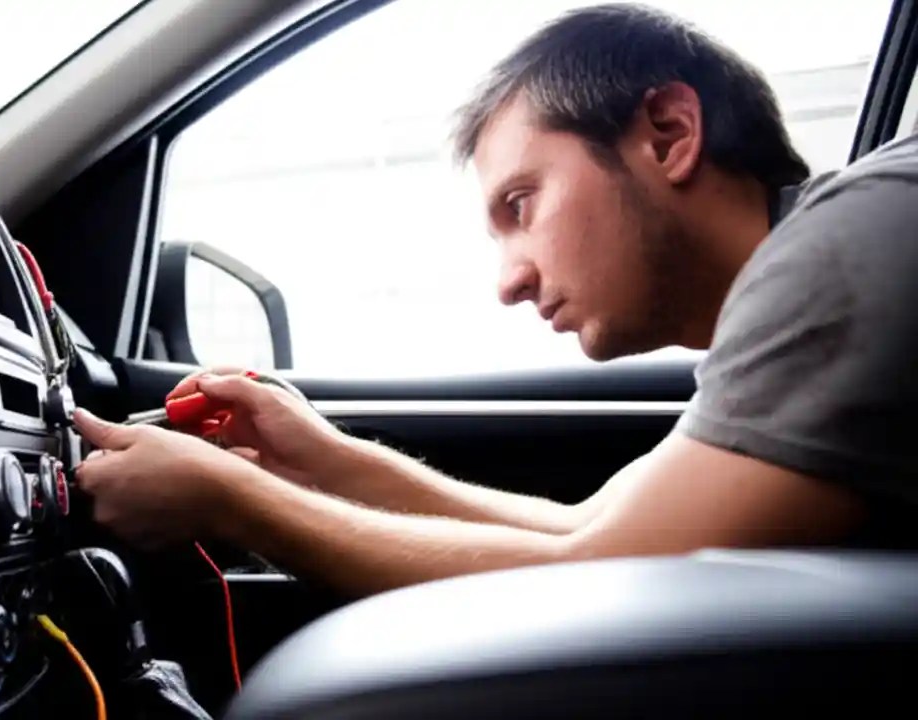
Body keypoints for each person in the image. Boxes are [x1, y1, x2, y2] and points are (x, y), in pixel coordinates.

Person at [70, 3, 918, 598]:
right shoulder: (807, 285)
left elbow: (619, 573)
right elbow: (585, 526)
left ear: (669, 133)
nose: (509, 281)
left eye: (522, 205)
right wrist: (328, 461)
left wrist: (234, 499)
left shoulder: (856, 240)